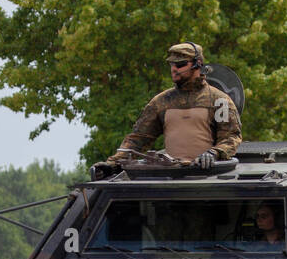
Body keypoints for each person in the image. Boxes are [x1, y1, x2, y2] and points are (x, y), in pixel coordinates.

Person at [95, 42, 241, 174]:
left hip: (208, 177)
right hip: (171, 179)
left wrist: (214, 153)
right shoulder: (160, 102)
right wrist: (112, 164)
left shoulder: (219, 100)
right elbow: (137, 140)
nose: (174, 69)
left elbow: (231, 137)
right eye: (171, 64)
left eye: (180, 64)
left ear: (198, 64)